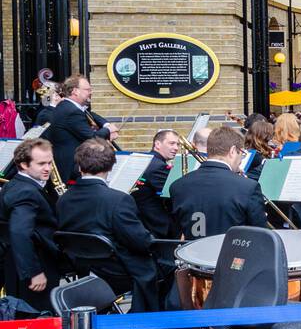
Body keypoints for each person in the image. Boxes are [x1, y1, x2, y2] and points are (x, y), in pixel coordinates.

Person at [57, 138, 162, 315]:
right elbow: (141, 241)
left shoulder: (63, 199)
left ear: (80, 167)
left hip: (83, 266)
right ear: (111, 167)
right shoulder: (118, 199)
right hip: (117, 271)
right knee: (165, 265)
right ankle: (149, 322)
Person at [169, 126, 267, 239]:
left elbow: (178, 231)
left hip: (192, 254)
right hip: (232, 254)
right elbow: (260, 235)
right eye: (242, 153)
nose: (241, 160)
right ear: (233, 151)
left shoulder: (177, 186)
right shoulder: (248, 187)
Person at [0, 139, 60, 313]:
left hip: (18, 261)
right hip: (35, 263)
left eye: (49, 163)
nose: (48, 168)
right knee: (36, 318)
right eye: (41, 164)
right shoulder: (25, 192)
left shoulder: (16, 184)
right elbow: (19, 232)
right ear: (23, 165)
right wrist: (34, 272)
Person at [45, 74, 119, 182]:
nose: (91, 92)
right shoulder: (72, 111)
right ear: (75, 91)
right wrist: (109, 131)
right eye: (87, 89)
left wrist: (106, 125)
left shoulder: (68, 106)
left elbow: (91, 115)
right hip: (72, 167)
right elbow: (92, 138)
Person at [133, 129, 180, 238]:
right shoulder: (158, 166)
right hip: (155, 224)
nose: (176, 148)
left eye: (177, 144)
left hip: (143, 220)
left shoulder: (148, 160)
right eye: (171, 143)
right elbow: (172, 192)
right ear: (157, 144)